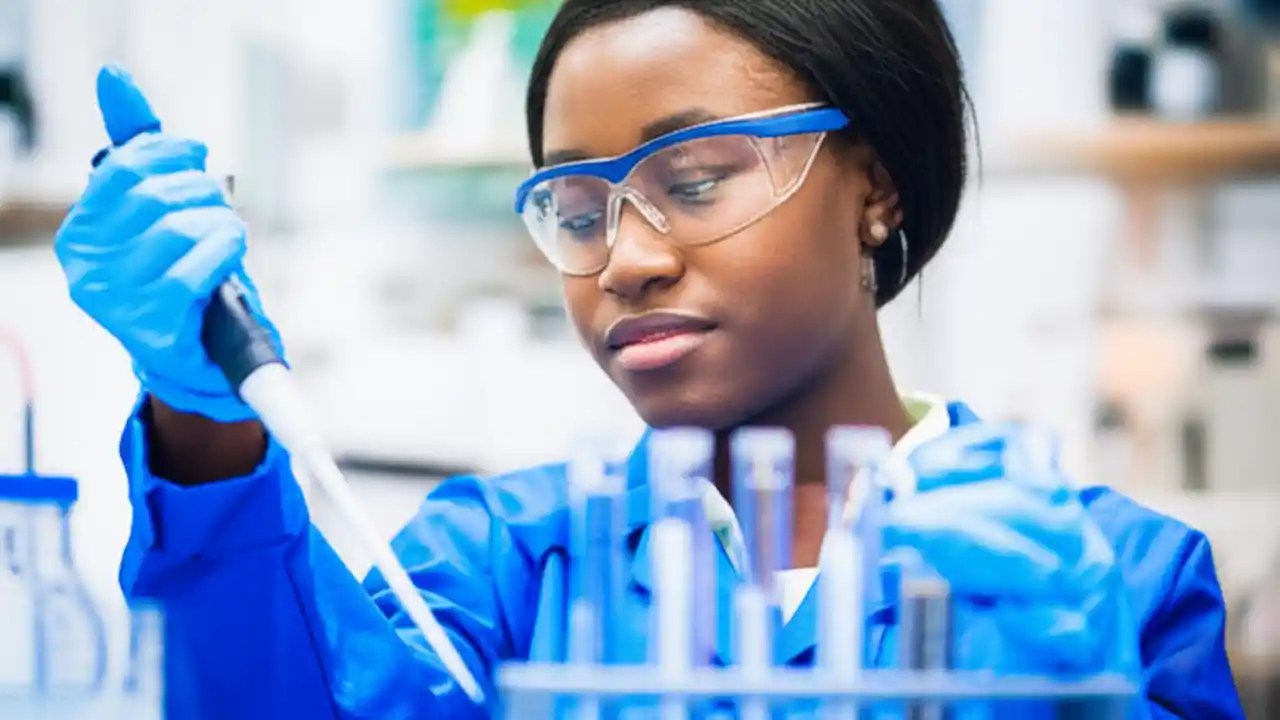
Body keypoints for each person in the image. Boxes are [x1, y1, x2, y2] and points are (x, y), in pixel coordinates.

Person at [53, 1, 1242, 718]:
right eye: (577, 207)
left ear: (874, 185)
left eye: (695, 179)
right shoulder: (502, 568)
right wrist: (201, 423)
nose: (624, 260)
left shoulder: (1113, 583)